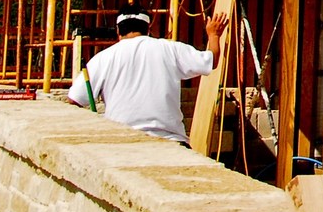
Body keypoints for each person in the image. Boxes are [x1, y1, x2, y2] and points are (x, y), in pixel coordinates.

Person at [66, 8, 228, 146]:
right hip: (169, 141)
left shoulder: (103, 58)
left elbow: (74, 100)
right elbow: (210, 60)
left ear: (118, 30)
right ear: (148, 28)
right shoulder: (169, 49)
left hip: (120, 143)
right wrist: (214, 35)